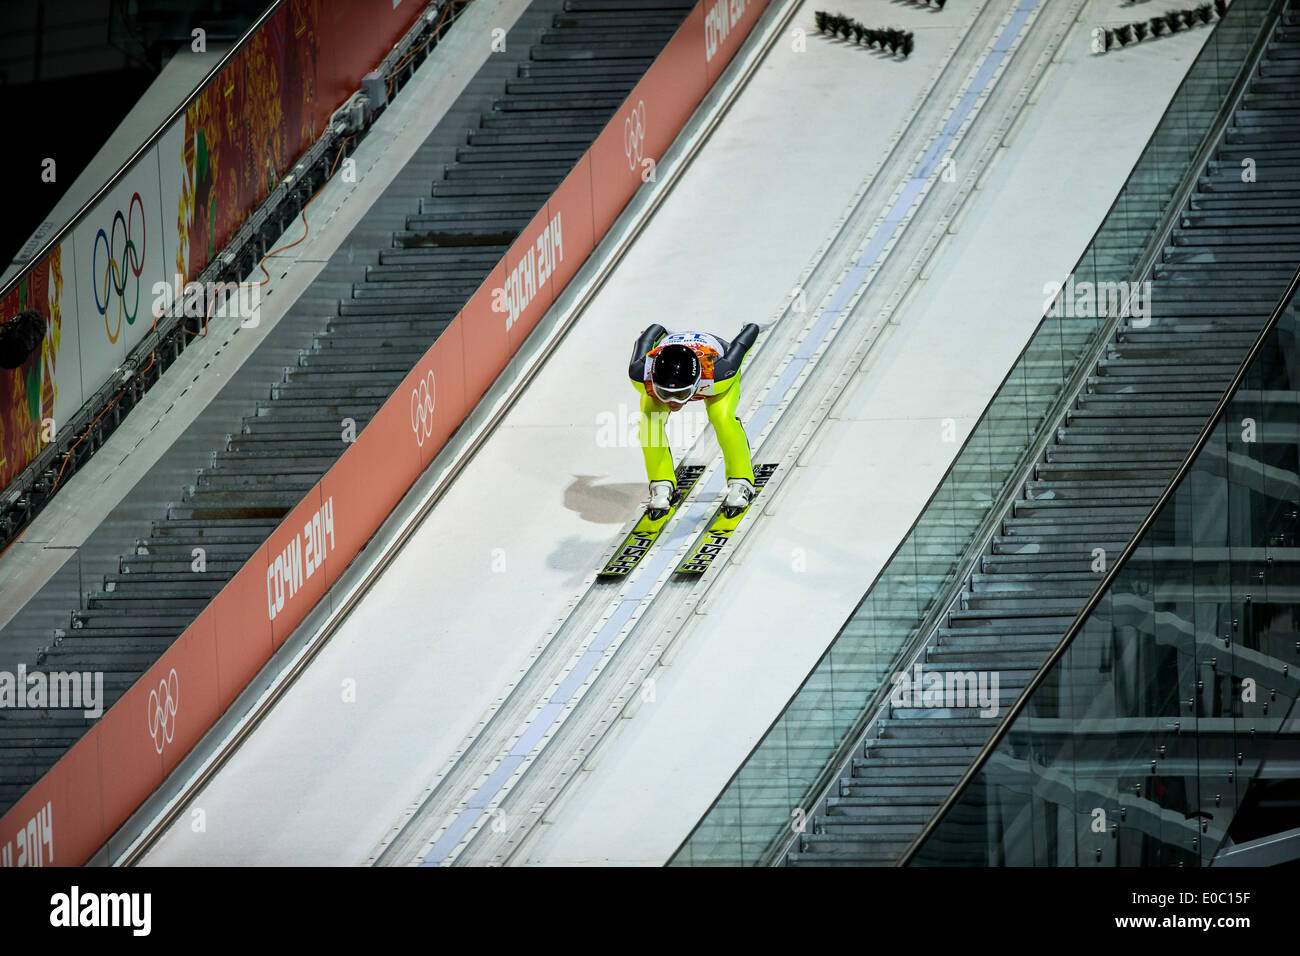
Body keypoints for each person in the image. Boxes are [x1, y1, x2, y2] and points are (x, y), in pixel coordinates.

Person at [627, 323, 759, 515]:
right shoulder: (640, 375)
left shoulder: (721, 373)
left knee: (722, 417)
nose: (672, 402)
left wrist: (749, 327)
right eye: (665, 394)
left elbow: (743, 343)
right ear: (653, 381)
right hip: (674, 361)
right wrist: (660, 330)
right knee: (649, 424)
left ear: (696, 384)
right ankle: (661, 484)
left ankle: (742, 482)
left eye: (681, 395)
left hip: (710, 368)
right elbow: (647, 337)